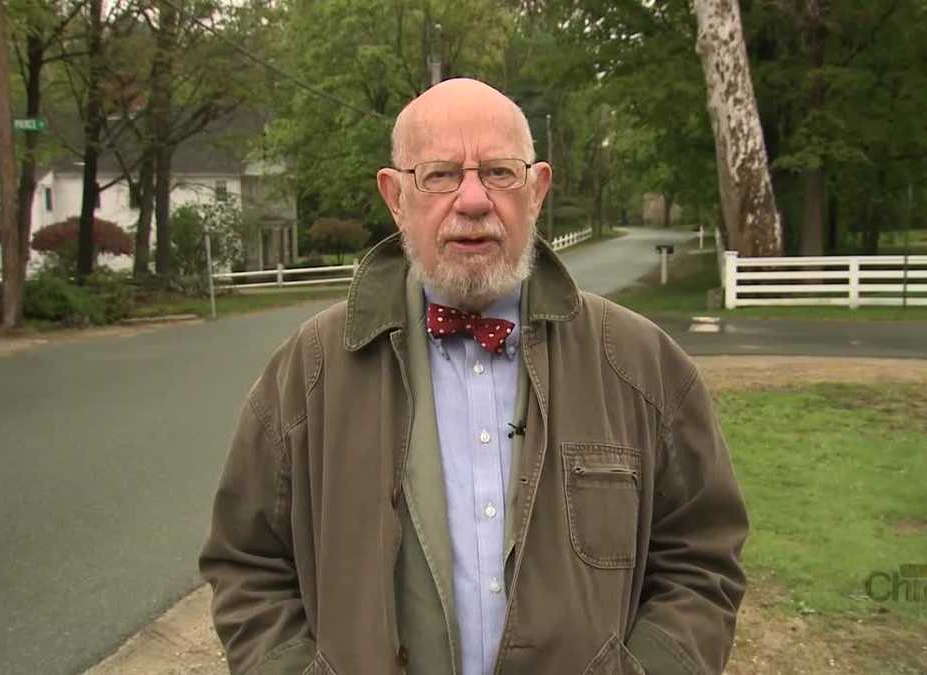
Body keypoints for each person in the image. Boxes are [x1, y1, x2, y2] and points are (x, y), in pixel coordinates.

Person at [199, 78, 749, 675]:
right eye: (438, 174)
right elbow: (248, 565)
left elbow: (701, 558)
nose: (472, 200)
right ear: (395, 196)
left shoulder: (643, 366)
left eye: (498, 173)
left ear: (536, 190)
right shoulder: (307, 374)